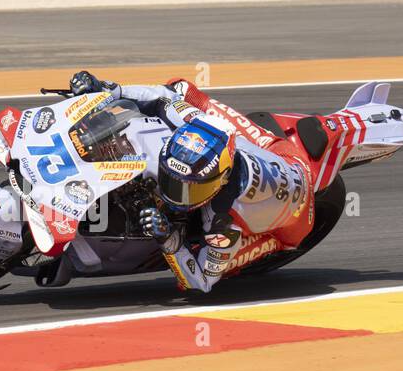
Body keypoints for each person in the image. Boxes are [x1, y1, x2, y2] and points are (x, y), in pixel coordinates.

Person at [66, 71, 315, 293]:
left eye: (190, 189)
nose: (175, 193)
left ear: (220, 182)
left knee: (221, 263)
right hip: (266, 150)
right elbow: (163, 96)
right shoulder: (191, 121)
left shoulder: (223, 221)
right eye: (172, 180)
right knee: (180, 88)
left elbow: (201, 281)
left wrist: (168, 238)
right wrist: (108, 89)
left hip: (295, 219)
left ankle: (273, 244)